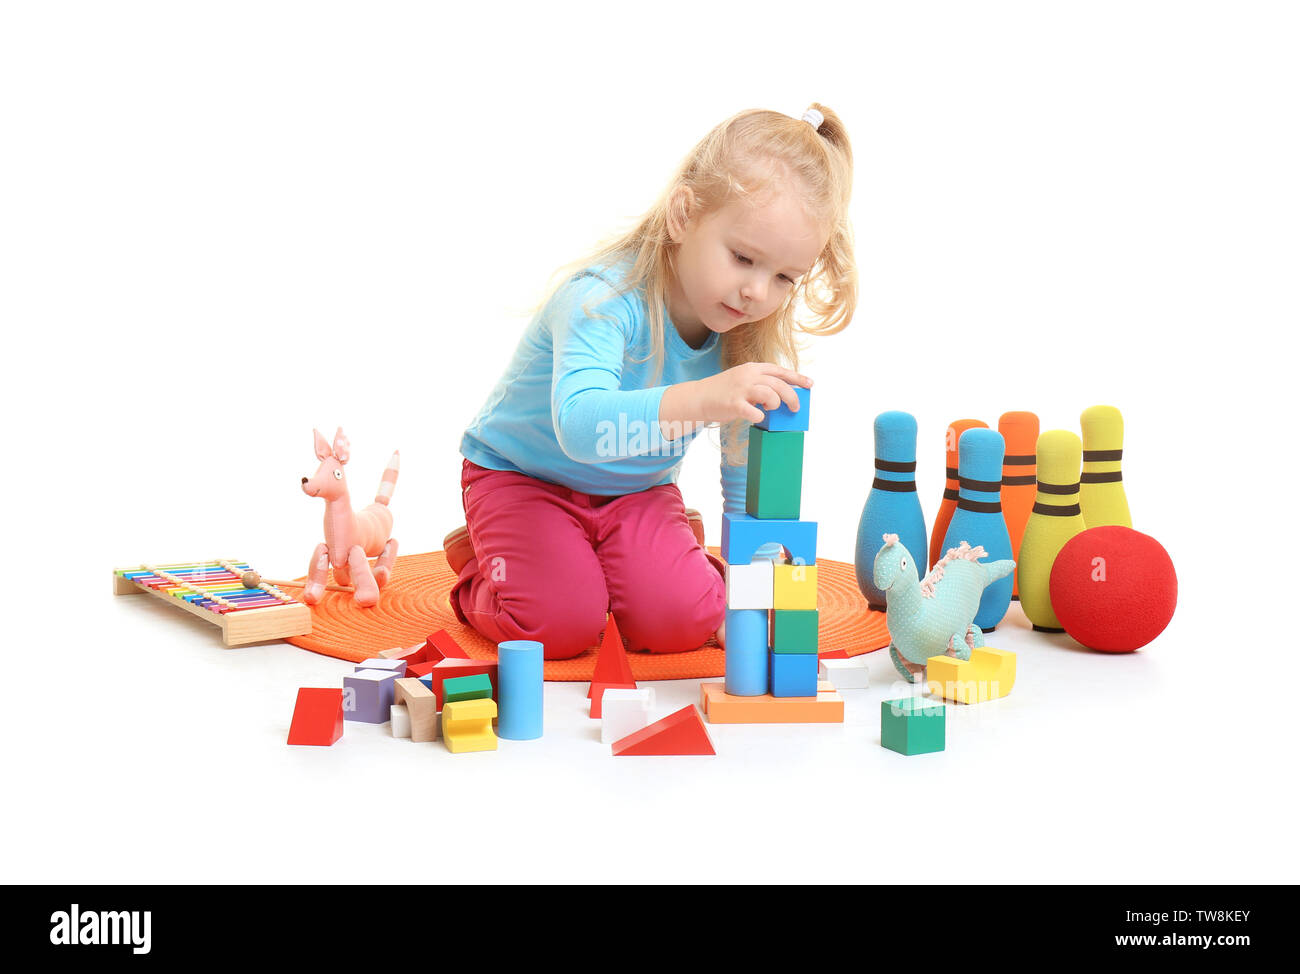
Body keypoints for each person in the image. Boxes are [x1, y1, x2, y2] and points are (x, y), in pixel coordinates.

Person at [445, 104, 856, 659]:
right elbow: (579, 427)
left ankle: (644, 558)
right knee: (558, 626)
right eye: (742, 257)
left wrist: (744, 590)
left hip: (636, 491)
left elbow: (742, 478)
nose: (757, 292)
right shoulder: (601, 299)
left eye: (783, 277)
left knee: (682, 625)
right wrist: (706, 399)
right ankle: (481, 564)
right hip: (524, 479)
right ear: (684, 215)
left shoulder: (741, 335)